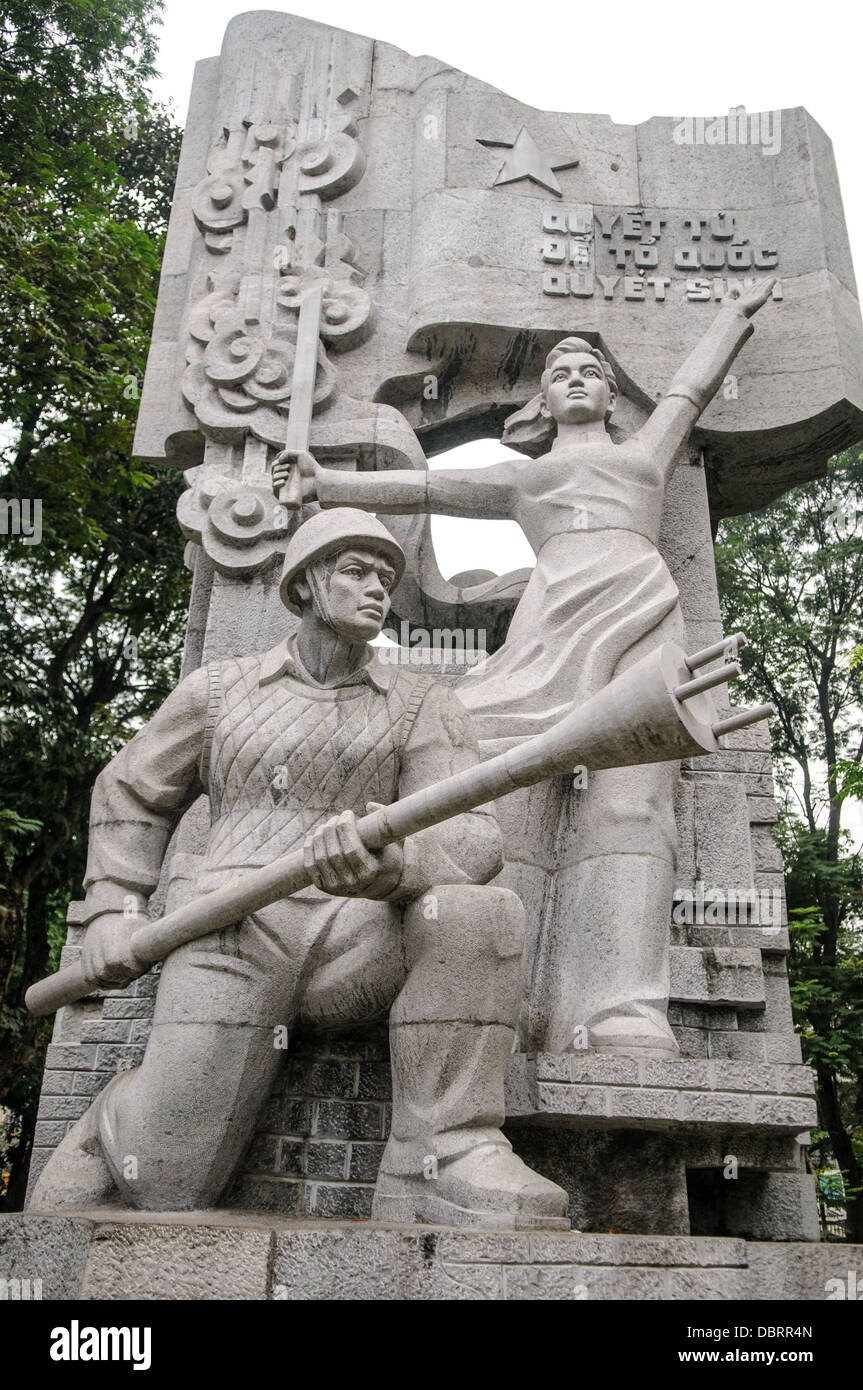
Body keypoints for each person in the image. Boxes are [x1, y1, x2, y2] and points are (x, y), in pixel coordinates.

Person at [272, 281, 776, 1055]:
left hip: (642, 616)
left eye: (590, 372)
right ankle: (504, 999)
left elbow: (687, 389)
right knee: (496, 781)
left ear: (611, 398)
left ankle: (617, 1010)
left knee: (632, 810)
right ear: (541, 402)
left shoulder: (644, 454)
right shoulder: (524, 478)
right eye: (559, 373)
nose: (575, 378)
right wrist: (326, 484)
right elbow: (427, 486)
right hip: (550, 630)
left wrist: (732, 318)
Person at [30, 508, 568, 1229]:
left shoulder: (422, 705)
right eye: (354, 571)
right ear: (305, 585)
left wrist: (393, 868)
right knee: (163, 1181)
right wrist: (112, 907)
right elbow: (131, 790)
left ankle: (442, 1156)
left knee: (478, 911)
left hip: (357, 929)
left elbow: (473, 838)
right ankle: (115, 1122)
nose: (376, 589)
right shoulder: (219, 693)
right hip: (230, 925)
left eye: (386, 577)